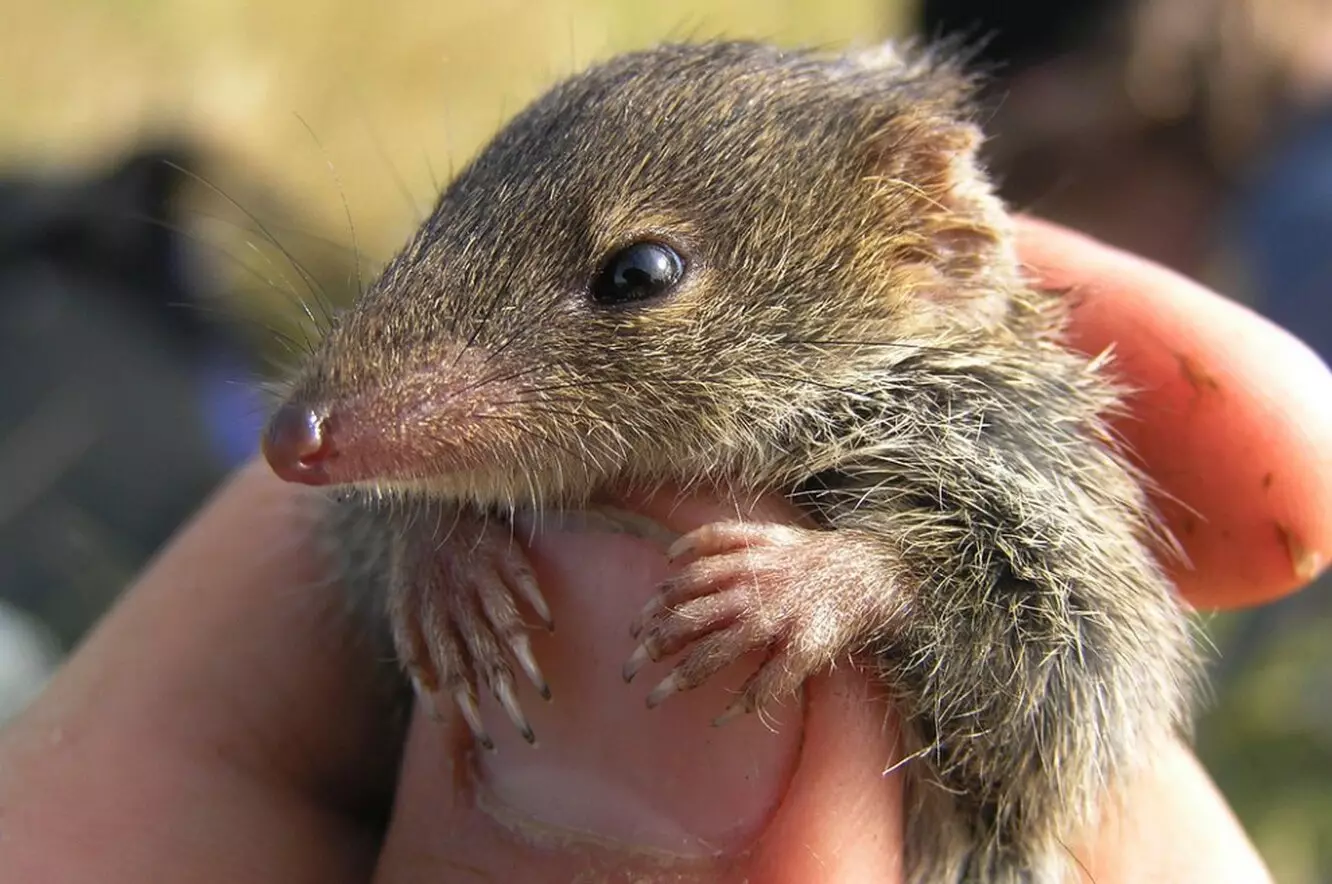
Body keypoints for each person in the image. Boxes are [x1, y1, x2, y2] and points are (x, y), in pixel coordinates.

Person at [0, 220, 1326, 882]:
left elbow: (1068, 688)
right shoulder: (473, 487)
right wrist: (426, 552)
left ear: (920, 247)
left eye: (636, 278)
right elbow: (343, 595)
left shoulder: (985, 414)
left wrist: (867, 577)